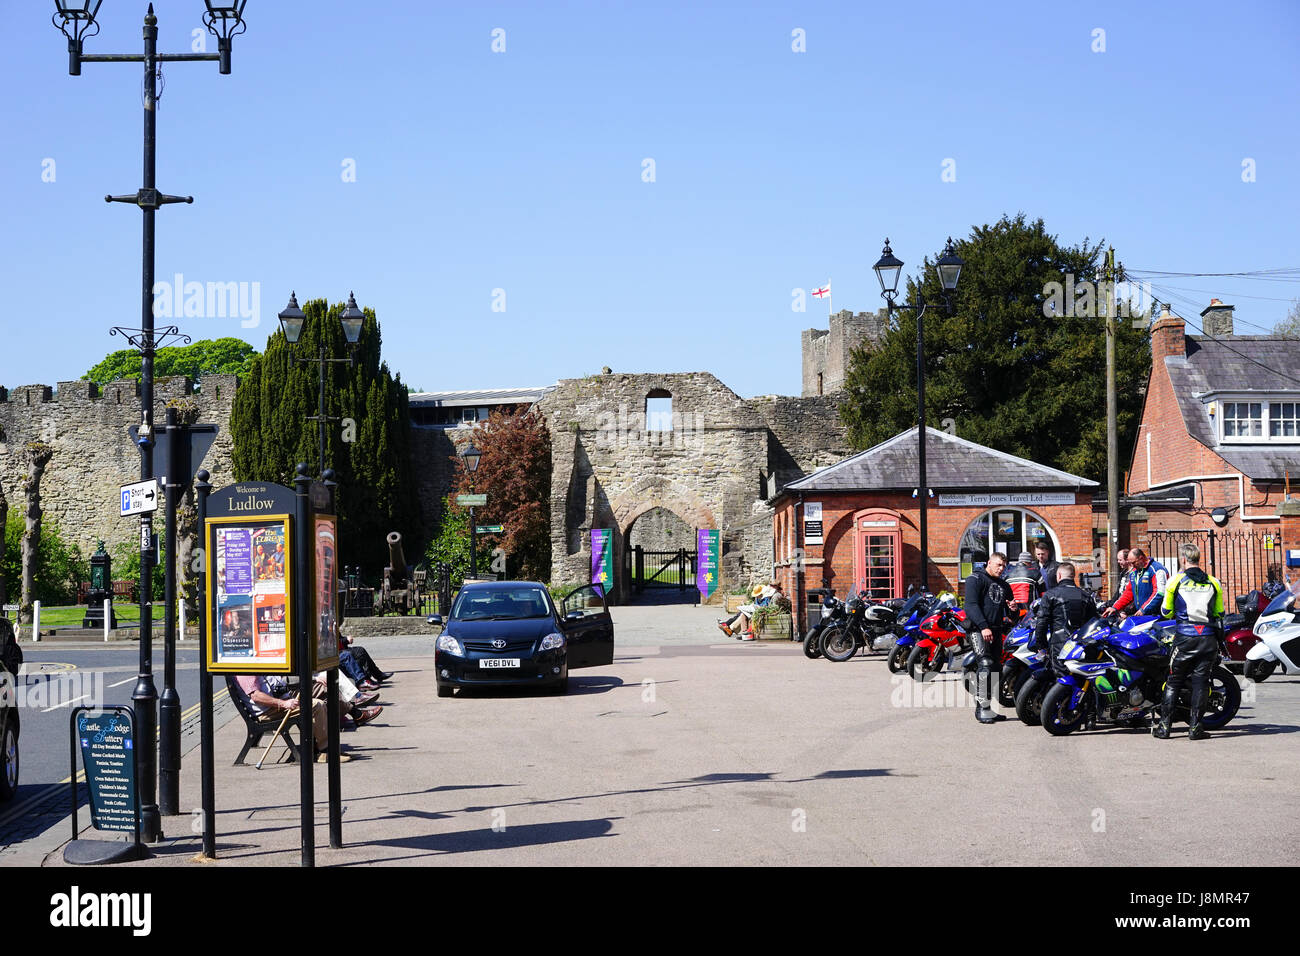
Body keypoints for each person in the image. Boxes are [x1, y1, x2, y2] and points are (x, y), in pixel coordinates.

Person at [1155, 544, 1226, 740]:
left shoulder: (1174, 581)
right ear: (1198, 559)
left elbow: (1165, 612)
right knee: (1201, 684)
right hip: (1207, 639)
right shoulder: (1214, 582)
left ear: (1183, 560)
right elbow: (1219, 613)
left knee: (1173, 682)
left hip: (1184, 639)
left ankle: (1164, 728)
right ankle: (1195, 728)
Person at [236, 673, 352, 763]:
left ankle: (326, 745)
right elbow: (256, 696)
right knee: (317, 705)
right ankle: (324, 750)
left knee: (325, 688)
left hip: (282, 699)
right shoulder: (244, 666)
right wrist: (283, 703)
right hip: (271, 710)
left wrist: (313, 680)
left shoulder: (258, 658)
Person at [963, 552, 1013, 724]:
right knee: (986, 665)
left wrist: (1013, 608)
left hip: (997, 631)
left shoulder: (1004, 585)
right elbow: (970, 605)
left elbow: (1012, 614)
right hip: (978, 629)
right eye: (998, 565)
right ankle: (981, 709)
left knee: (996, 669)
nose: (1001, 568)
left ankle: (989, 708)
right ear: (989, 563)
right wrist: (984, 626)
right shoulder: (975, 579)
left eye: (1004, 566)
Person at [1032, 562, 1095, 670]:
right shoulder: (1085, 595)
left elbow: (1041, 622)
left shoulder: (1050, 594)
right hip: (1081, 644)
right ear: (1073, 576)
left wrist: (1041, 646)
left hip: (1058, 643)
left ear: (1059, 575)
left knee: (1060, 676)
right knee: (1078, 678)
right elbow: (1093, 621)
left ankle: (993, 686)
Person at [1105, 548, 1168, 619]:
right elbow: (1128, 593)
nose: (1132, 566)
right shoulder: (1134, 572)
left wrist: (1144, 609)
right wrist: (1114, 607)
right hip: (1142, 615)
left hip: (1156, 615)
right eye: (1130, 563)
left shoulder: (1156, 569)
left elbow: (1160, 593)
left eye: (1133, 563)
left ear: (1141, 558)